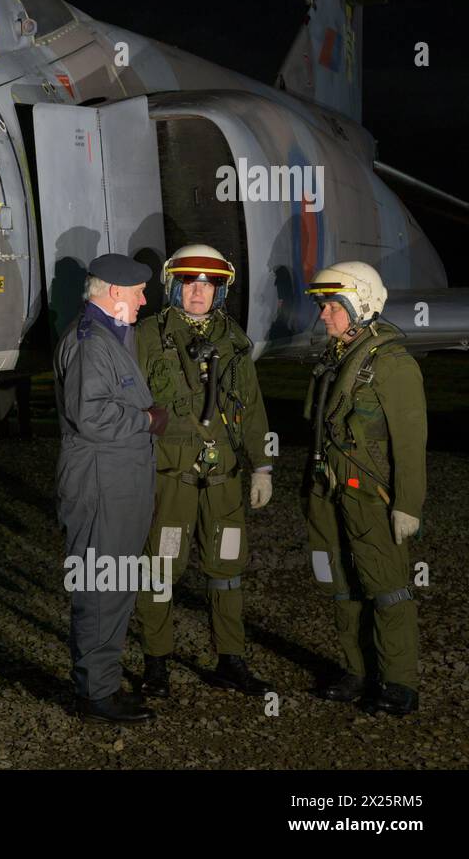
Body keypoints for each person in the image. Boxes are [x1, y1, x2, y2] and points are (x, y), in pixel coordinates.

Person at [134, 245, 274, 699]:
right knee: (160, 569)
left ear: (220, 292)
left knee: (227, 569)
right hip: (170, 476)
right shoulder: (145, 337)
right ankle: (156, 663)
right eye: (190, 285)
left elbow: (251, 409)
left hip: (224, 479)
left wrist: (263, 467)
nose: (198, 293)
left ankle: (229, 660)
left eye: (208, 286)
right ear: (174, 286)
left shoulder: (234, 342)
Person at [303, 261, 426, 715]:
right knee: (340, 585)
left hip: (369, 495)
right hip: (329, 492)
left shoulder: (392, 365)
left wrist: (408, 505)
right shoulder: (335, 359)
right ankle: (357, 670)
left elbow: (411, 442)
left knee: (388, 589)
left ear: (362, 305)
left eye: (333, 305)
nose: (324, 314)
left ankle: (399, 683)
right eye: (322, 304)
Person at [54, 252, 165, 723]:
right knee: (103, 586)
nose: (144, 300)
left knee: (116, 584)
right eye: (138, 292)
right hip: (101, 487)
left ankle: (101, 681)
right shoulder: (90, 343)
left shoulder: (114, 335)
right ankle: (96, 694)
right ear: (115, 293)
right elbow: (91, 414)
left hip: (117, 484)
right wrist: (144, 419)